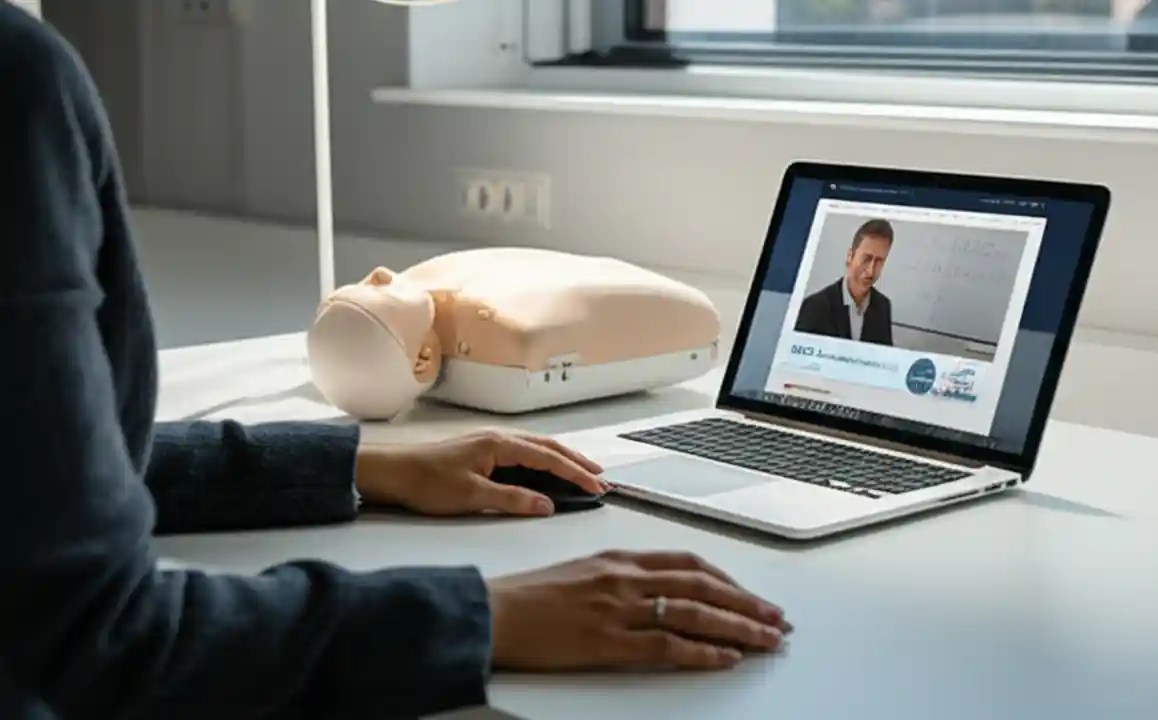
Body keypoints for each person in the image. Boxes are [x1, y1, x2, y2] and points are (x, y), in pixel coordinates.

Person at [0, 8, 788, 719]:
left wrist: (364, 466)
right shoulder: (17, 79)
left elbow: (35, 482)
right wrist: (484, 614)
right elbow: (91, 636)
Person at [794, 219, 895, 346]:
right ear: (850, 256)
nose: (871, 271)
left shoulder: (883, 306)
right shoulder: (814, 307)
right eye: (866, 259)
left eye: (879, 261)